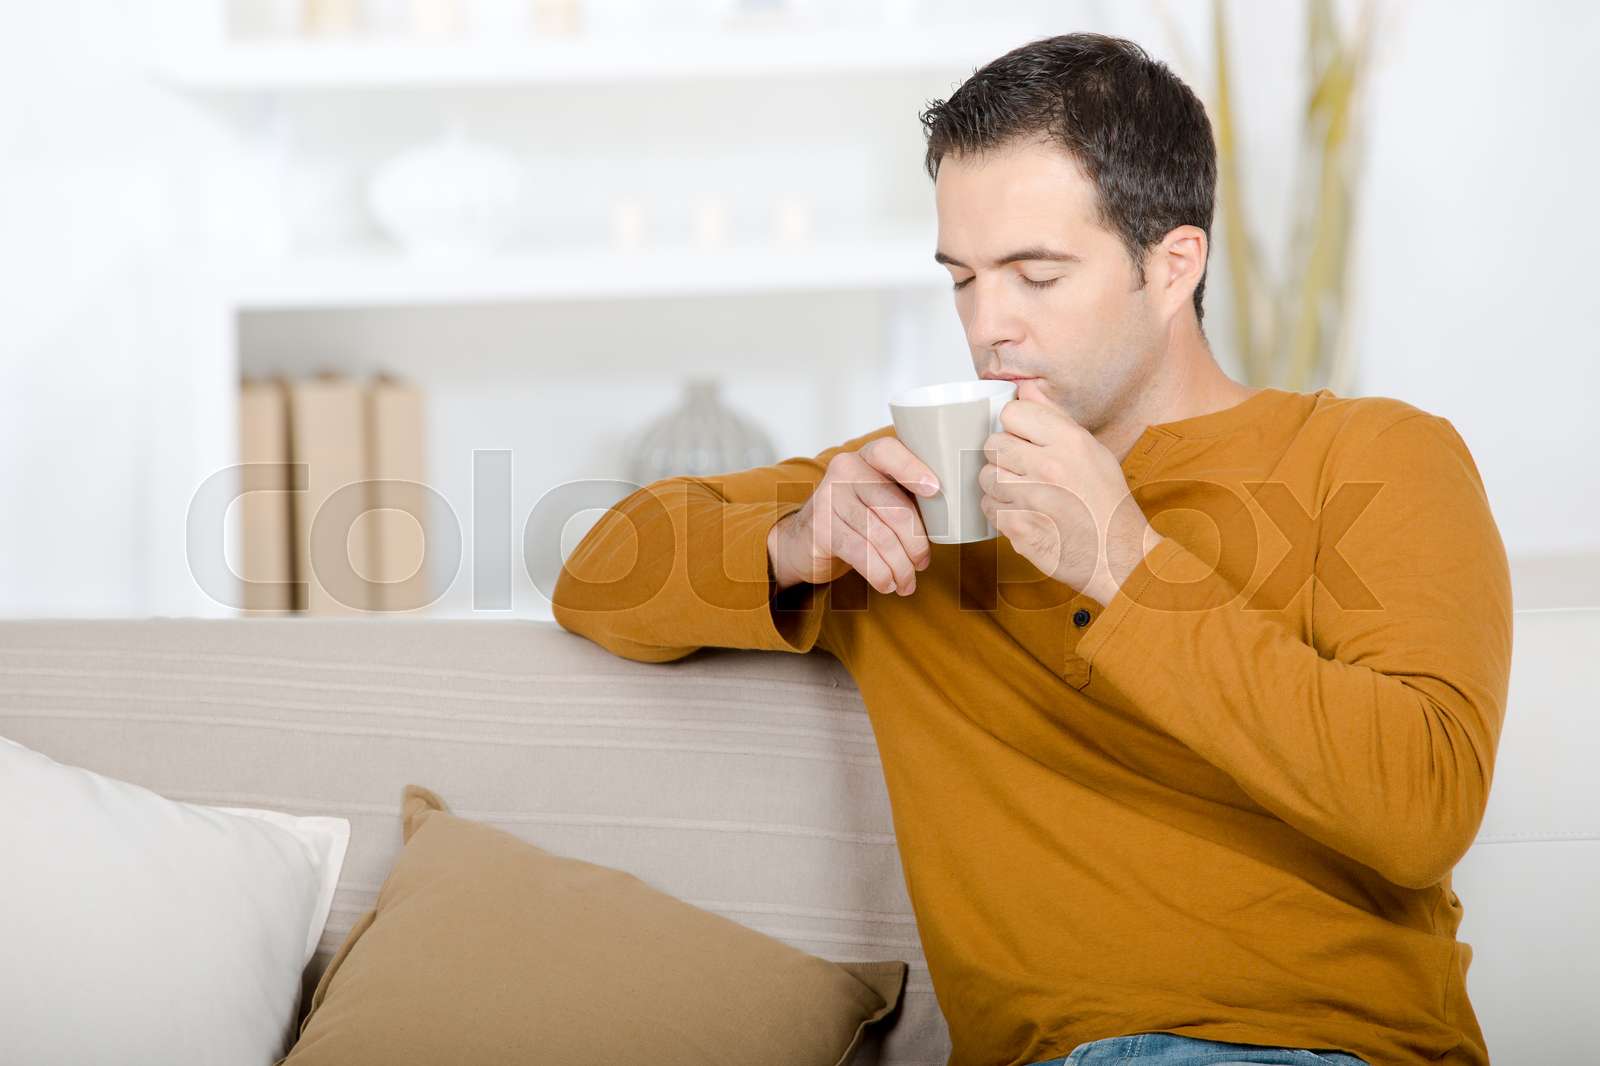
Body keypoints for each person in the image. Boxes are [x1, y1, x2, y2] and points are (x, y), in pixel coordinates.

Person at [551, 32, 1511, 1066]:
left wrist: (1124, 563)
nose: (986, 326)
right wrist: (791, 542)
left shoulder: (1368, 457)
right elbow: (597, 568)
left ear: (1170, 264)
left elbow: (1422, 805)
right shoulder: (916, 491)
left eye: (1034, 274)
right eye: (960, 277)